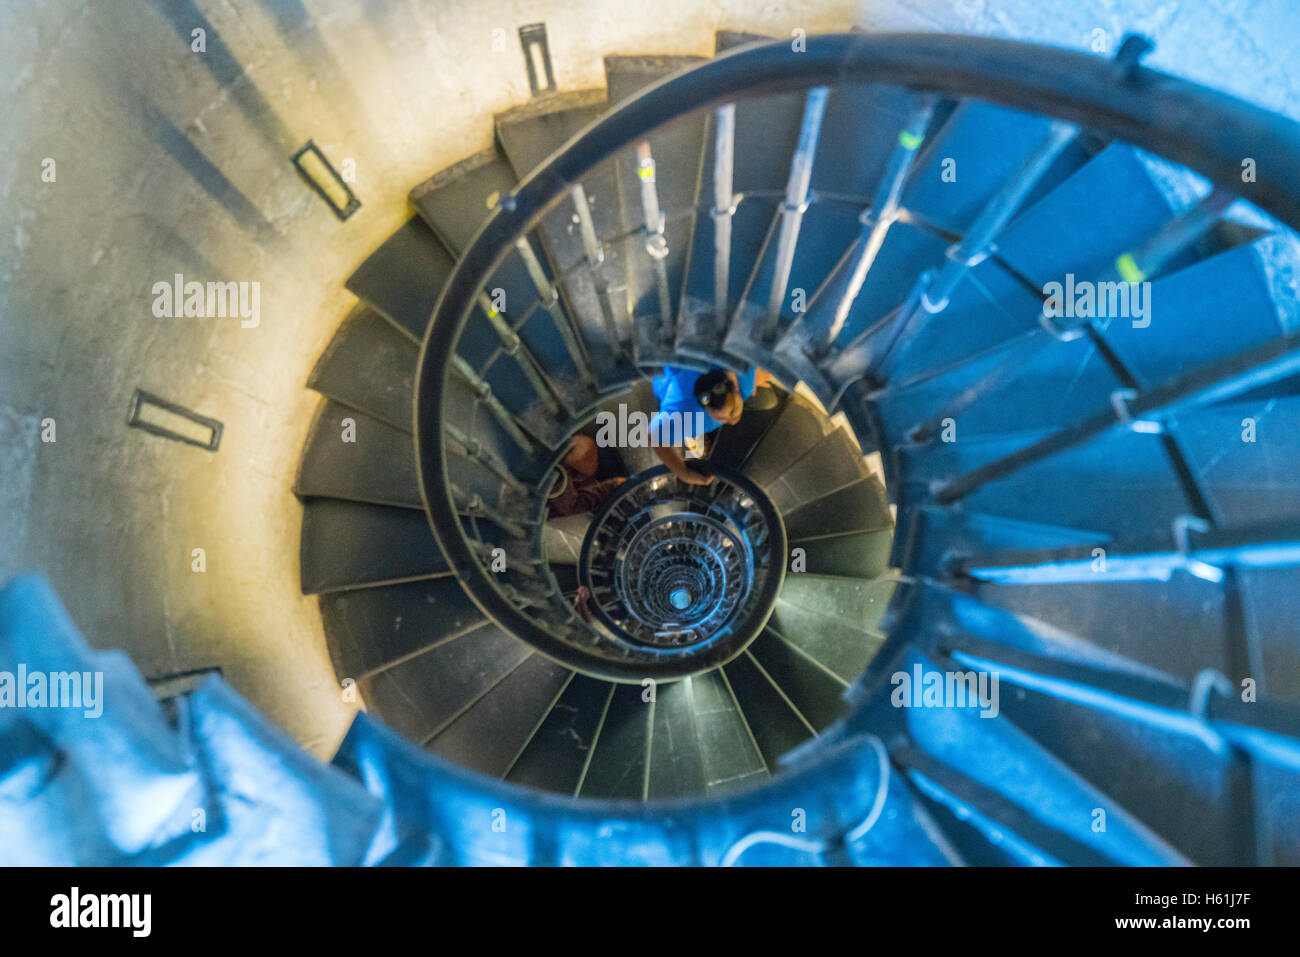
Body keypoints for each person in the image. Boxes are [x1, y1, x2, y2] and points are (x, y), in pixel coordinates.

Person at [649, 365, 772, 486]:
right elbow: (653, 435)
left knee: (769, 400)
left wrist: (754, 375)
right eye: (720, 418)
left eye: (734, 409)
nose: (732, 421)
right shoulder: (685, 414)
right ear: (704, 408)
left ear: (735, 387)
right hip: (669, 377)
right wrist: (683, 474)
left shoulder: (742, 373)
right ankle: (690, 434)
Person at [547, 434, 625, 518]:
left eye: (570, 450)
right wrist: (610, 486)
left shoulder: (560, 478)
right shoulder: (557, 480)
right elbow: (572, 505)